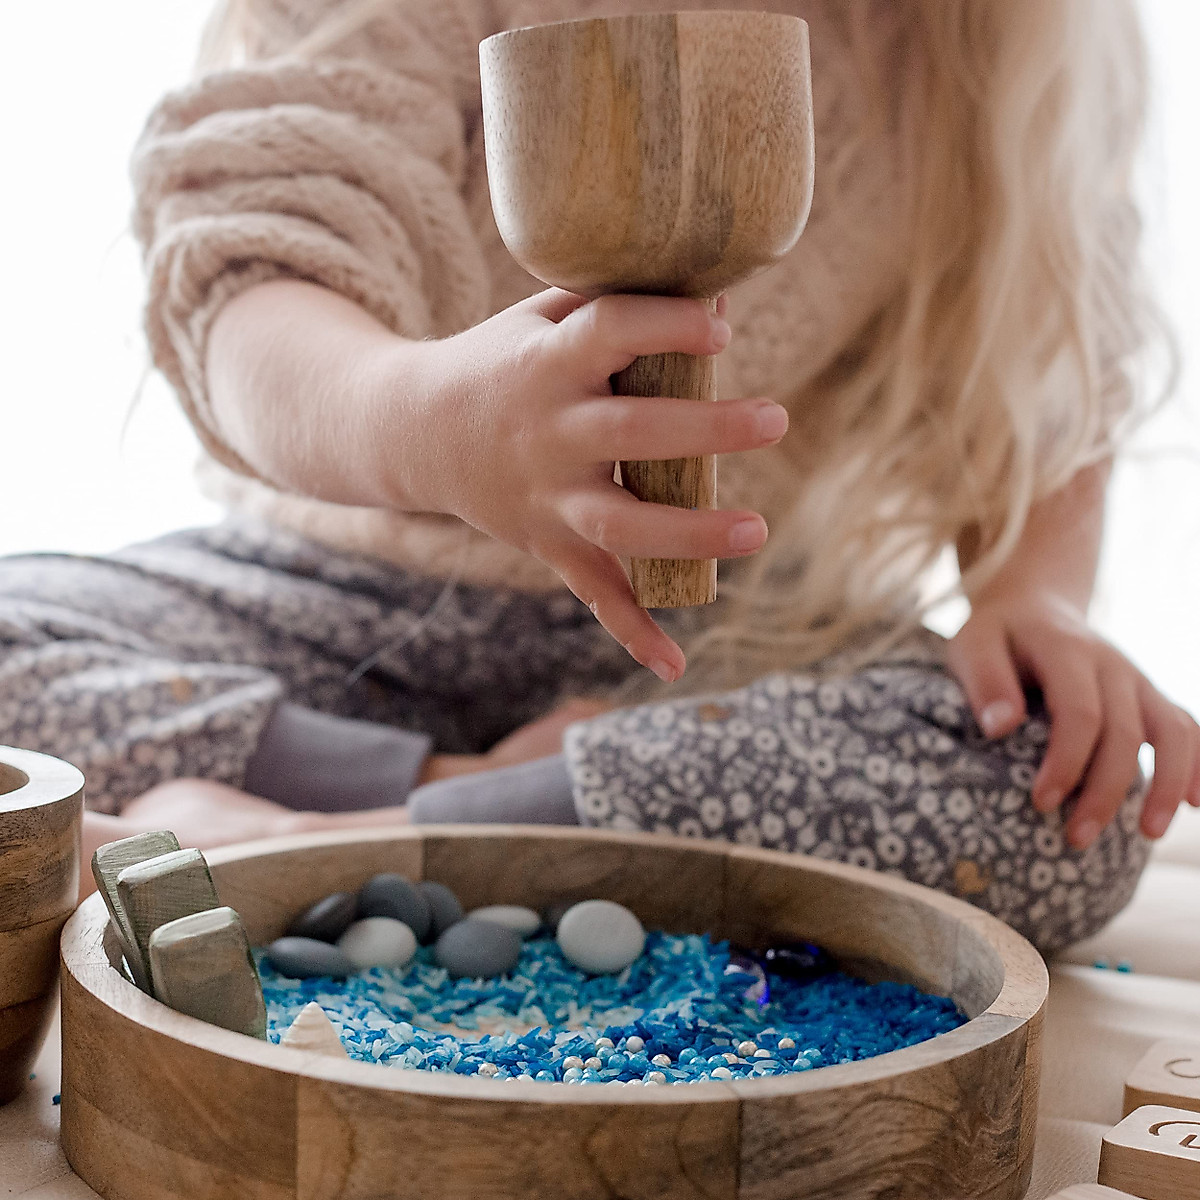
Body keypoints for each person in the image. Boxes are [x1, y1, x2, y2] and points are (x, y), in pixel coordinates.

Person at [3, 0, 1196, 950]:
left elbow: (1056, 350)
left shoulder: (989, 39)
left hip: (713, 655)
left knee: (1060, 791)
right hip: (324, 599)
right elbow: (256, 268)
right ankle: (463, 796)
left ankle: (328, 845)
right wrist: (433, 422)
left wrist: (1035, 596)